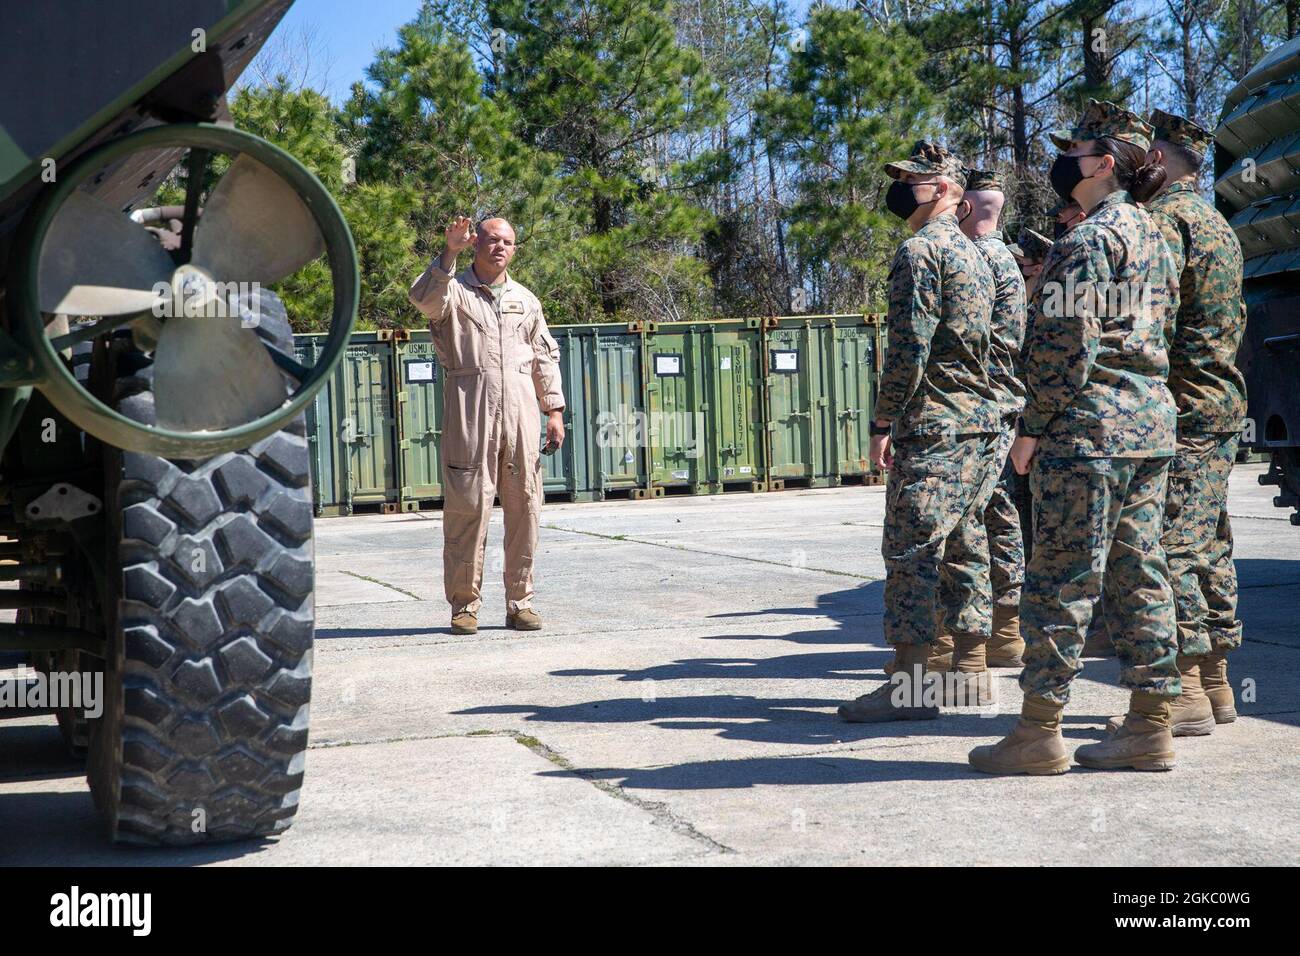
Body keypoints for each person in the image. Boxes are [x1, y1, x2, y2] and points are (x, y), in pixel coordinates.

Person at [969, 100, 1182, 773]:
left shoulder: (1089, 241)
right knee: (1142, 573)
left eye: (1074, 152)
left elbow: (1064, 347)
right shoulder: (1154, 235)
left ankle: (1039, 732)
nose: (1064, 163)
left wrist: (1030, 429)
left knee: (1061, 581)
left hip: (1087, 434)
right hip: (1148, 426)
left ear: (1101, 162)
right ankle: (1151, 723)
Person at [838, 141, 1001, 722]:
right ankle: (972, 673)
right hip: (981, 424)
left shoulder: (921, 251)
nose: (901, 188)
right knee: (965, 545)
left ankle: (909, 688)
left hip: (935, 425)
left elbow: (909, 349)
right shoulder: (979, 254)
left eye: (911, 179)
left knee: (911, 550)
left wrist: (883, 420)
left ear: (940, 187)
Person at [1113, 109, 1247, 734]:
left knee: (1168, 548)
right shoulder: (1219, 224)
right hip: (1219, 400)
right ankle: (1217, 682)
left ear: (1160, 162)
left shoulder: (1165, 222)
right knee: (1210, 542)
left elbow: (1151, 323)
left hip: (1183, 406)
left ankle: (1185, 690)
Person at [408, 216, 566, 634]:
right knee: (467, 510)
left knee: (526, 510)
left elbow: (544, 357)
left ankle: (520, 601)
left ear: (515, 250)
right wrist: (449, 253)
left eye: (508, 242)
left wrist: (554, 410)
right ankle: (464, 606)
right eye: (492, 239)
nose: (500, 247)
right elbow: (422, 301)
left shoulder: (526, 300)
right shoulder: (453, 291)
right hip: (470, 412)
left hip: (520, 416)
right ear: (476, 242)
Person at [952, 168, 1027, 668]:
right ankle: (1006, 630)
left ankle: (967, 640)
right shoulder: (1009, 260)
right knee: (999, 515)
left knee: (966, 522)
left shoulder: (974, 259)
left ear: (969, 209)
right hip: (1003, 406)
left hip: (975, 406)